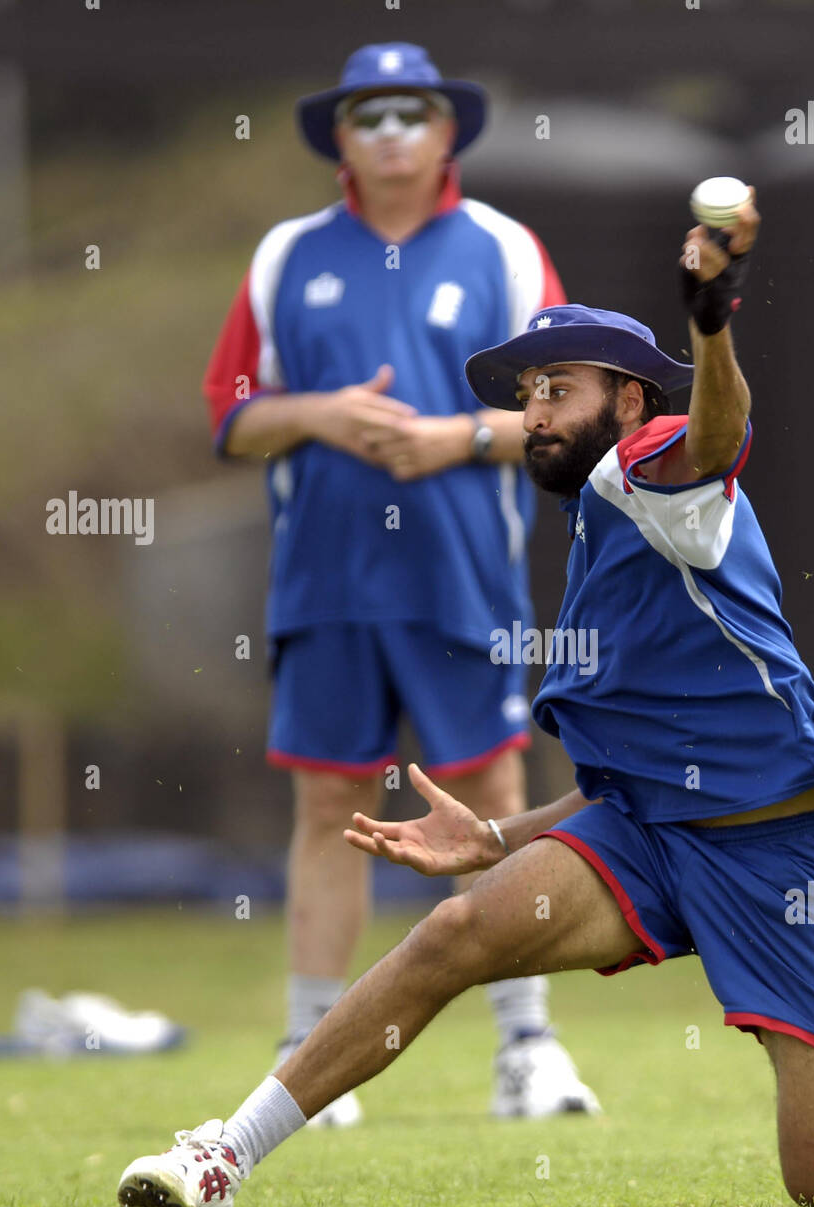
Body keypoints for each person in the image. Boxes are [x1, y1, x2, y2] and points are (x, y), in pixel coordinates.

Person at [119, 191, 814, 1207]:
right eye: (527, 392)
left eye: (557, 388)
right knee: (454, 932)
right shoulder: (595, 527)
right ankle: (219, 1157)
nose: (535, 412)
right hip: (653, 837)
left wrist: (710, 322)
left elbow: (718, 431)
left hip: (788, 858)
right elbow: (641, 780)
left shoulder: (654, 474)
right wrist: (497, 837)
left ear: (633, 401)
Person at [201, 42, 599, 1124]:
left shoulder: (504, 251)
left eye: (409, 112)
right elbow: (233, 414)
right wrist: (321, 414)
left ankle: (526, 1048)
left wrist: (453, 436)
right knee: (329, 803)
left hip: (462, 580)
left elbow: (566, 414)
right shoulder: (288, 255)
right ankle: (307, 1057)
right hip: (326, 585)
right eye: (365, 115)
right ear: (340, 137)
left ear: (446, 131)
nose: (387, 133)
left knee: (494, 801)